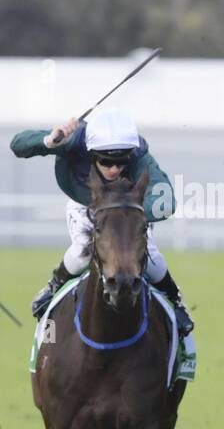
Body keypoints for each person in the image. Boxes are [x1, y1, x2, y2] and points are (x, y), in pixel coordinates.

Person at [12, 107, 193, 333]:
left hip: (126, 213)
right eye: (106, 162)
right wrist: (48, 140)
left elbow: (166, 201)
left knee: (152, 257)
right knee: (80, 252)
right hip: (85, 206)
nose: (114, 169)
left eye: (121, 162)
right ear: (91, 152)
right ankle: (54, 287)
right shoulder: (73, 141)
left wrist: (127, 216)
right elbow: (17, 145)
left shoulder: (138, 155)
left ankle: (175, 300)